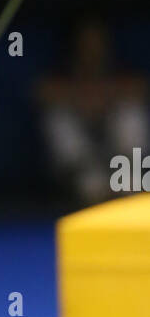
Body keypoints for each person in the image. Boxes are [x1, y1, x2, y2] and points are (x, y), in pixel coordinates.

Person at [35, 13, 149, 205]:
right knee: (58, 118)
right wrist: (81, 98)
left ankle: (127, 180)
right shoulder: (63, 69)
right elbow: (41, 91)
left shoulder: (118, 67)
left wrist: (103, 96)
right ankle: (91, 185)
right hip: (85, 162)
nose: (92, 48)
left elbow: (140, 88)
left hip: (119, 157)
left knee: (131, 114)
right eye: (87, 42)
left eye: (97, 42)